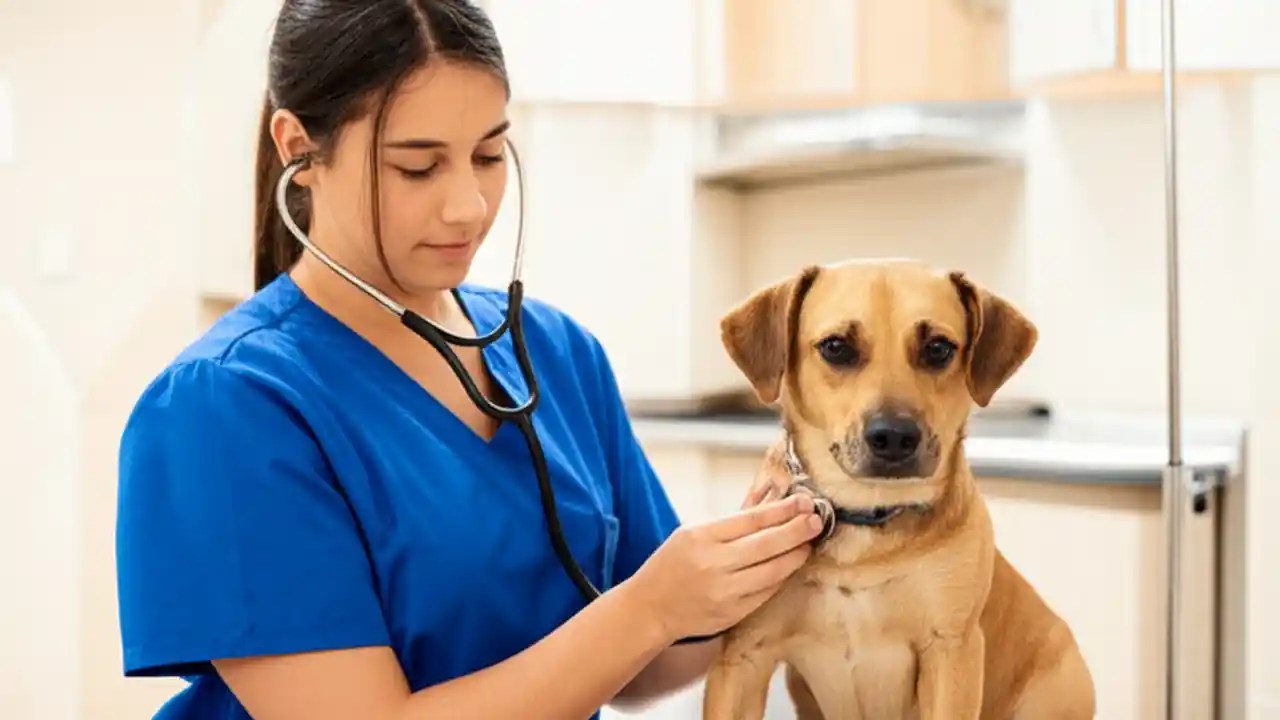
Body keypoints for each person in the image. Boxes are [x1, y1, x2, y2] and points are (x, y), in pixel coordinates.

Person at [114, 2, 823, 718]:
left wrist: (757, 562)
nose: (468, 207)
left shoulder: (556, 352)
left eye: (488, 155)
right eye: (417, 167)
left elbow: (648, 663)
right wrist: (649, 608)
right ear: (299, 148)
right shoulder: (225, 407)